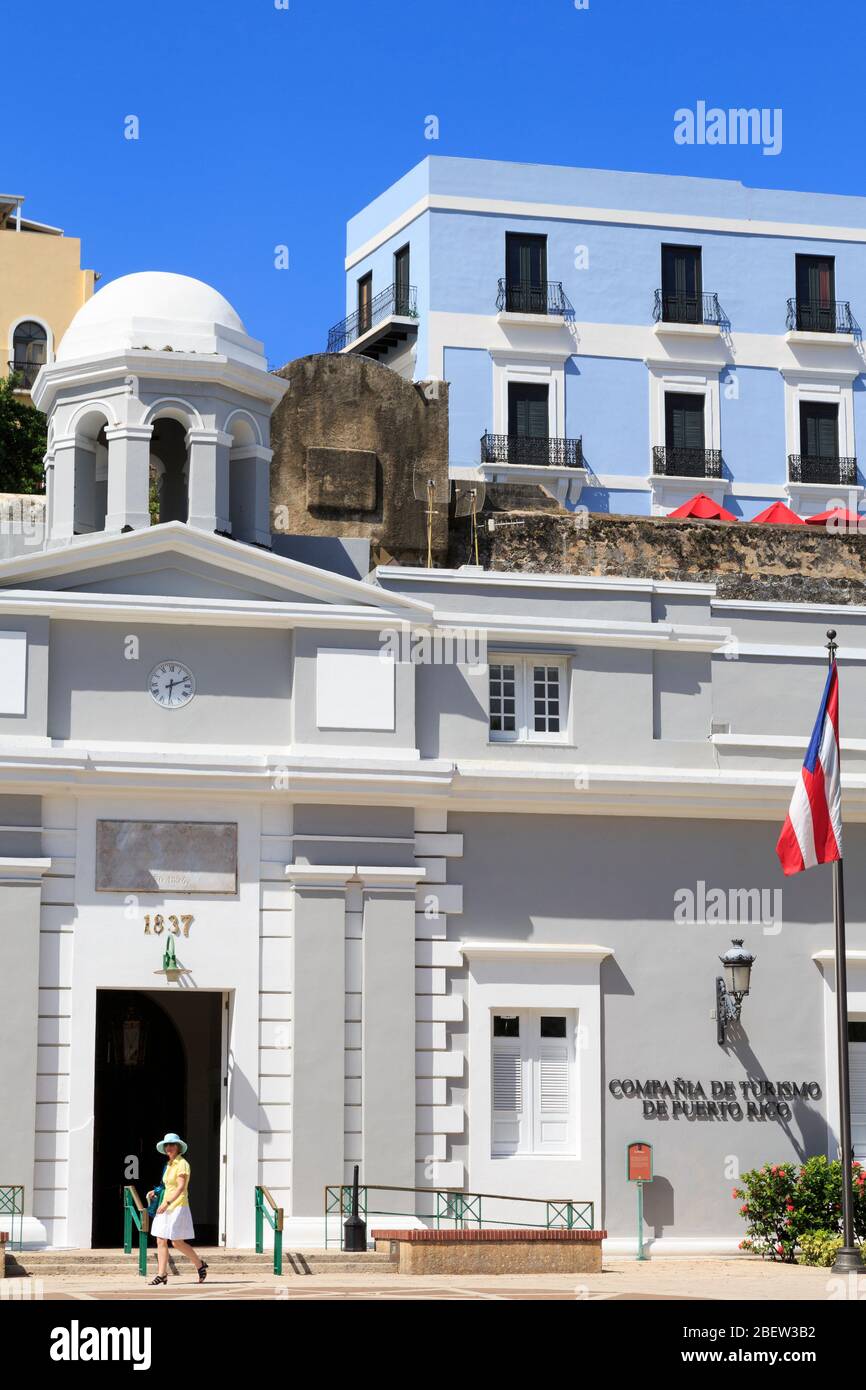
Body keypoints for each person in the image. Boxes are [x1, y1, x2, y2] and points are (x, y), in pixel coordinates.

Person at [145, 1132, 208, 1286]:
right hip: (165, 1204)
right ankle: (162, 1274)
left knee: (177, 1242)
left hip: (177, 1205)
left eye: (172, 1145)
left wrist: (167, 1202)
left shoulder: (182, 1164)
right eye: (167, 1145)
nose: (169, 1147)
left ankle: (200, 1264)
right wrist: (156, 1191)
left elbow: (180, 1188)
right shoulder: (168, 1165)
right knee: (160, 1239)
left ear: (178, 1147)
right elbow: (166, 1185)